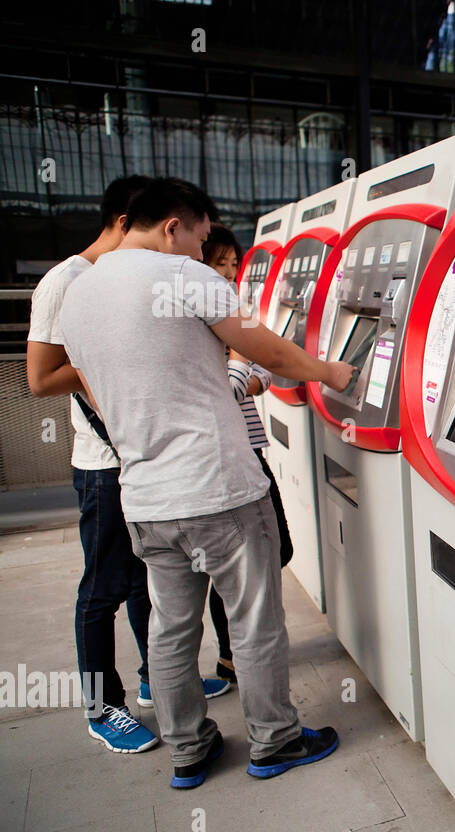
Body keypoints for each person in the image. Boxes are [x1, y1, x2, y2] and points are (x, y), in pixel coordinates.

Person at [60, 177, 356, 789]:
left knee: (171, 629)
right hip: (219, 488)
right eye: (199, 237)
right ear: (174, 225)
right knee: (254, 620)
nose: (202, 251)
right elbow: (268, 351)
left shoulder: (80, 295)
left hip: (143, 493)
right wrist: (331, 371)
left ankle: (189, 750)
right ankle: (275, 741)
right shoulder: (185, 276)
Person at [25, 175, 227, 754]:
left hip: (142, 451)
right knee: (103, 586)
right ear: (124, 223)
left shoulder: (116, 278)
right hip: (103, 463)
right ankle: (100, 705)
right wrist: (111, 359)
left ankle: (150, 680)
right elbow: (40, 378)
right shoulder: (66, 282)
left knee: (147, 578)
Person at [199, 225, 294, 684]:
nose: (230, 273)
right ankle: (237, 655)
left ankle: (235, 653)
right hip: (232, 458)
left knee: (274, 552)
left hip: (250, 448)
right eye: (220, 264)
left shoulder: (231, 316)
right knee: (243, 566)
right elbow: (235, 384)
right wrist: (244, 368)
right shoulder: (204, 321)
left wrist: (246, 372)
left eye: (235, 265)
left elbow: (263, 374)